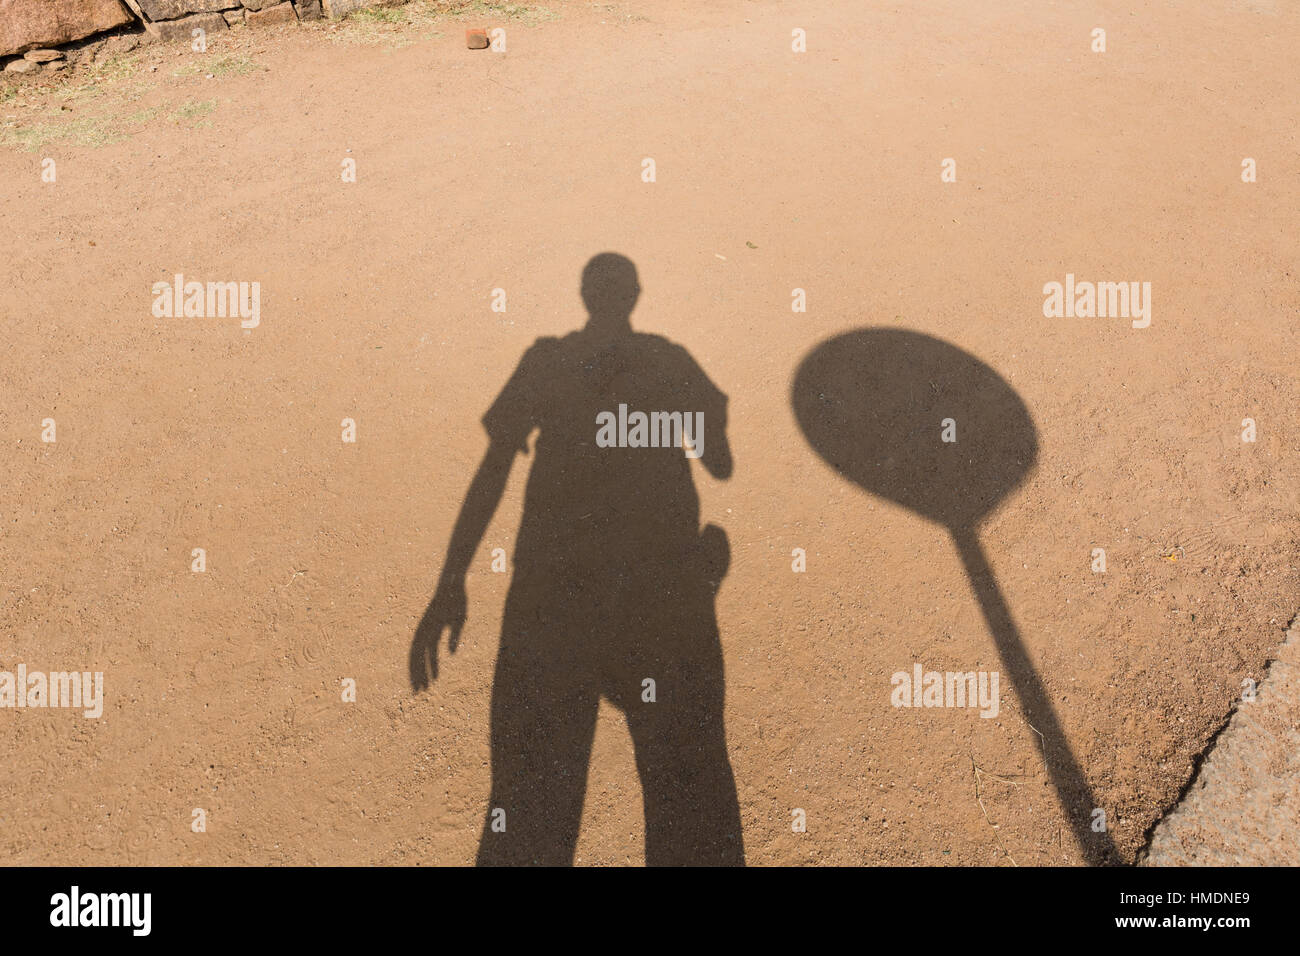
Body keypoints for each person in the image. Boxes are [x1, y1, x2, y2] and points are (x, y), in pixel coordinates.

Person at [410, 253, 744, 865]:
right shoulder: (670, 361)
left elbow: (494, 470)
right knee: (687, 800)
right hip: (658, 604)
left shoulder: (546, 361)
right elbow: (719, 463)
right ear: (636, 296)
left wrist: (451, 583)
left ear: (586, 297)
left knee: (531, 805)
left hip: (551, 601)